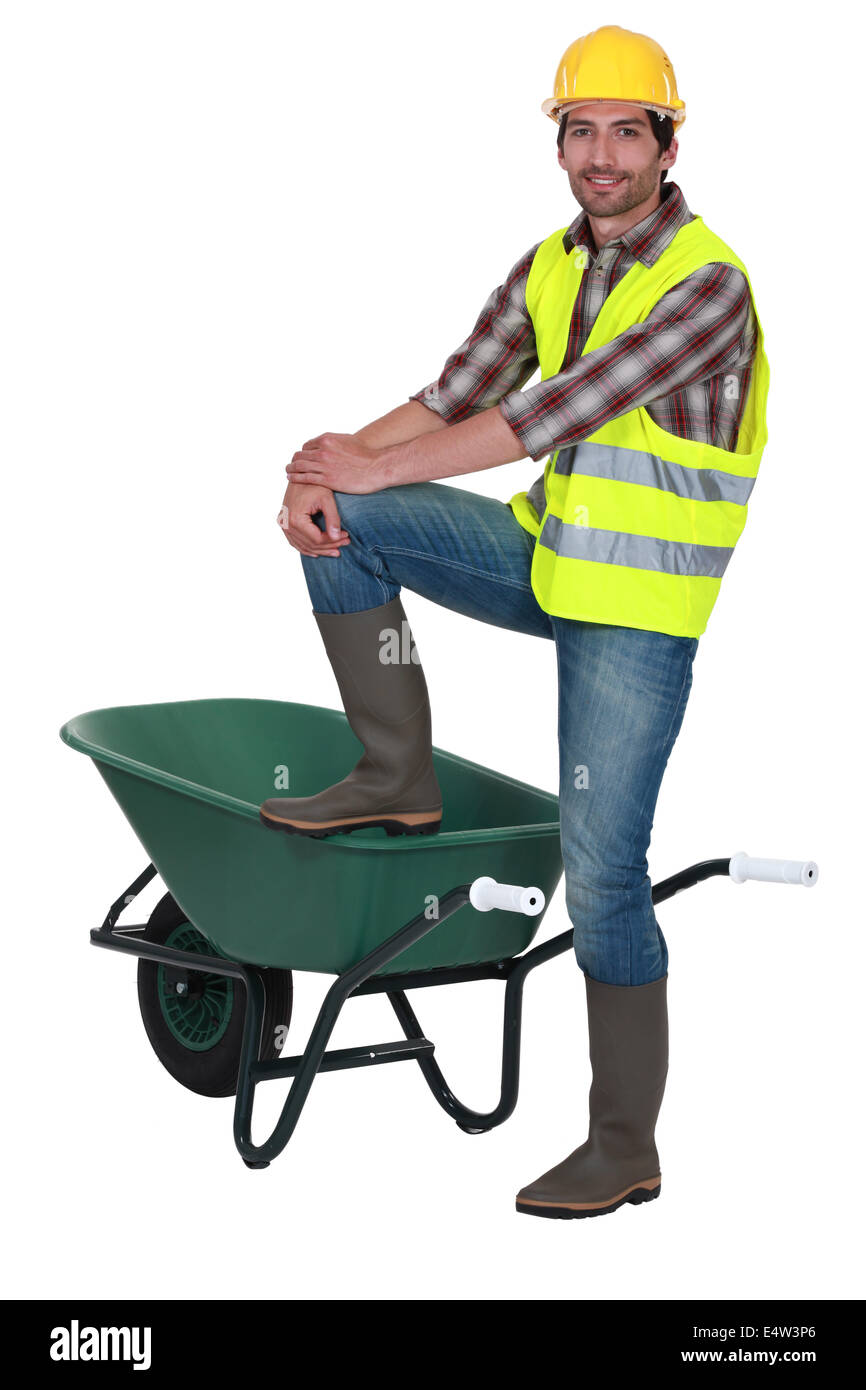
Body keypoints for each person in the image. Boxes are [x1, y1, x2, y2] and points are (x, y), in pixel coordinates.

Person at [260, 24, 769, 1220]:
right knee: (350, 518)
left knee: (600, 878)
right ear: (559, 143)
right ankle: (396, 769)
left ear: (666, 142)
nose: (599, 156)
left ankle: (620, 1140)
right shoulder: (550, 262)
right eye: (578, 132)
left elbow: (544, 417)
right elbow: (454, 392)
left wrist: (378, 470)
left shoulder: (705, 283)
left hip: (633, 614)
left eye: (623, 132)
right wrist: (327, 462)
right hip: (547, 559)